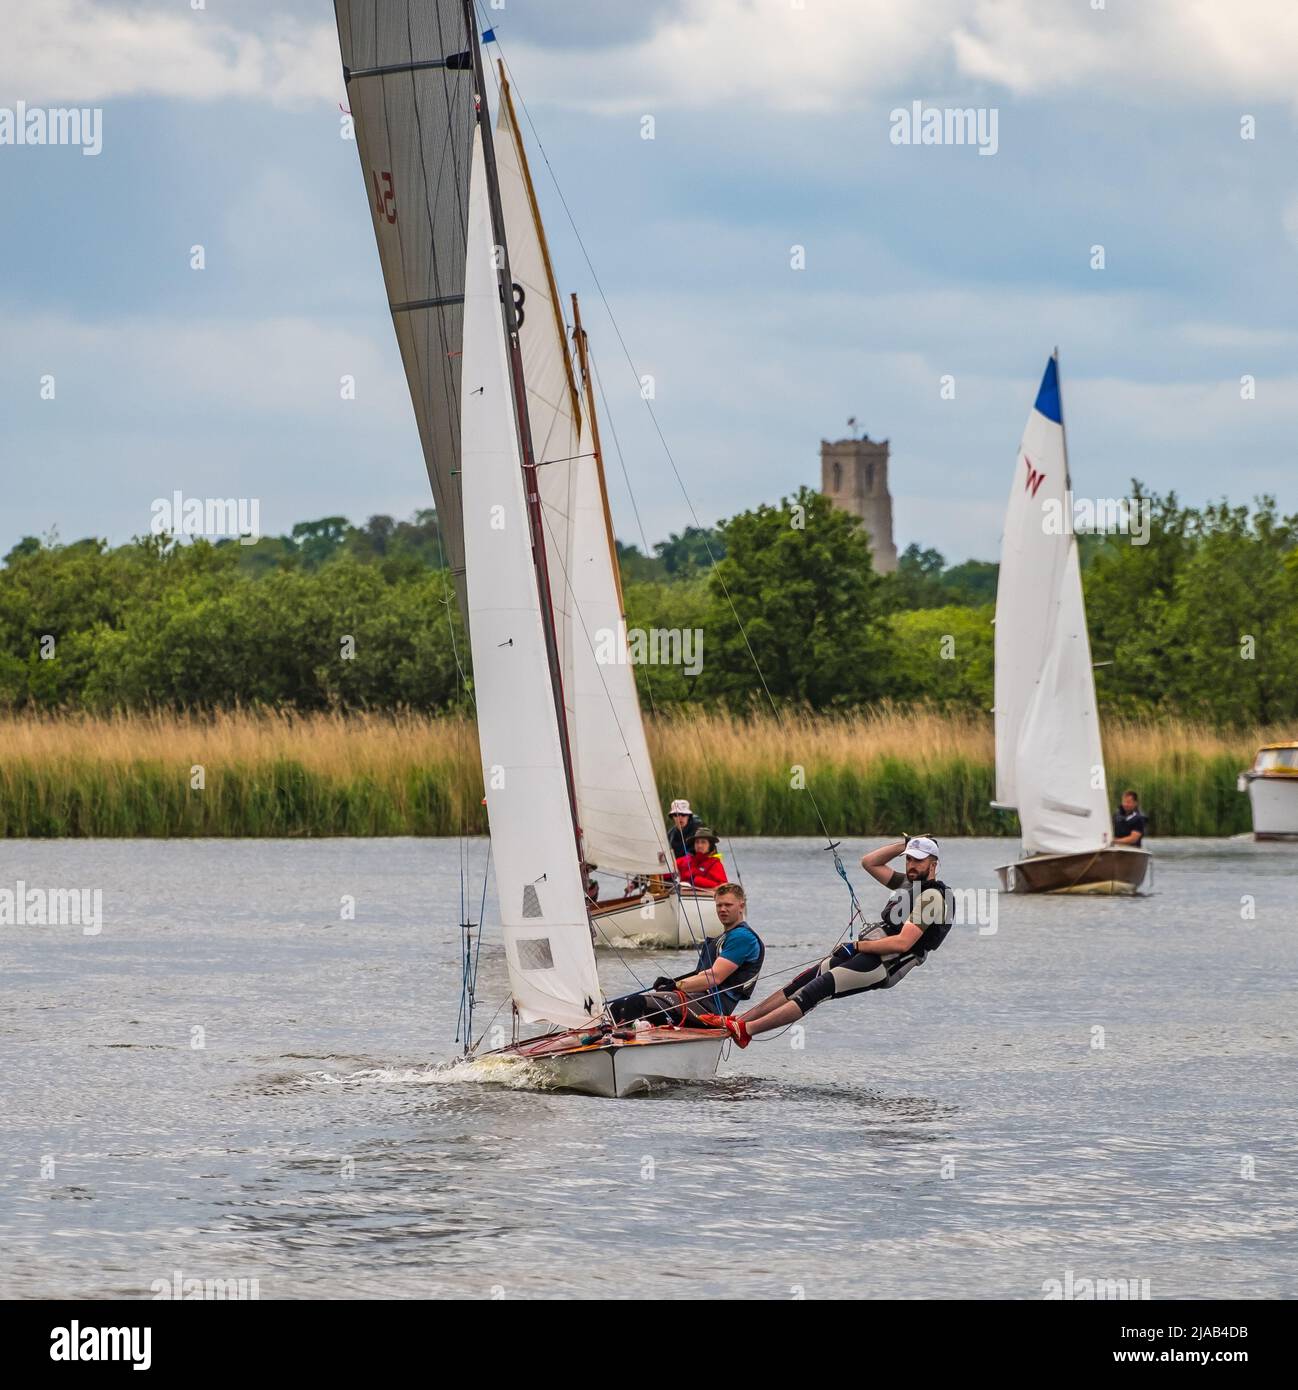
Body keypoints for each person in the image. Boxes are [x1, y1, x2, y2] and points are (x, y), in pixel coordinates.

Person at [703, 836, 951, 1048]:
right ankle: (739, 1021)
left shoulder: (932, 897)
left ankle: (747, 1031)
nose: (911, 864)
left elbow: (902, 944)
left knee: (816, 990)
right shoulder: (911, 883)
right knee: (799, 982)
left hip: (883, 966)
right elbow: (869, 862)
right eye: (909, 858)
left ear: (933, 864)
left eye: (918, 860)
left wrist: (856, 946)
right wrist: (904, 844)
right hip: (868, 952)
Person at [606, 882, 764, 1028]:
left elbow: (714, 977)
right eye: (719, 905)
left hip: (712, 1009)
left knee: (636, 1003)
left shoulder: (743, 938)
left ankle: (625, 1042)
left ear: (741, 906)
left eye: (728, 905)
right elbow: (702, 973)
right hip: (697, 999)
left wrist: (675, 986)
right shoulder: (726, 937)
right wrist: (673, 981)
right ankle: (613, 1041)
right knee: (619, 1005)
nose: (722, 909)